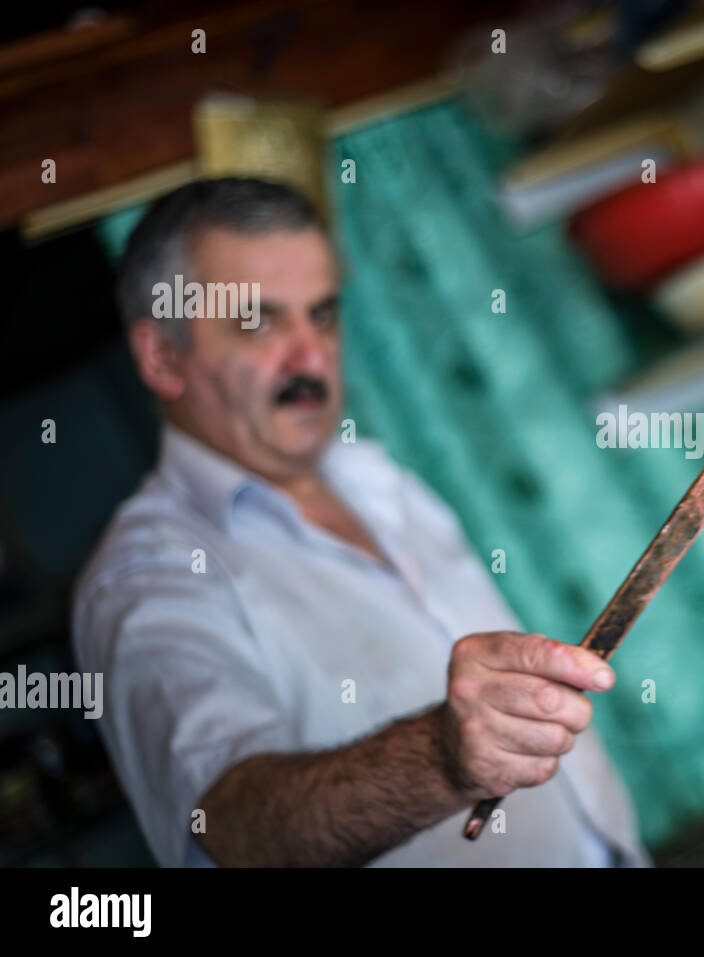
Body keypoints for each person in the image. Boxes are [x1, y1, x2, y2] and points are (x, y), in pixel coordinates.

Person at [72, 177, 649, 867]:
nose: (309, 357)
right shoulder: (147, 577)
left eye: (322, 314)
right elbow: (231, 821)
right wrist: (442, 755)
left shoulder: (382, 479)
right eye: (258, 321)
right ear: (163, 356)